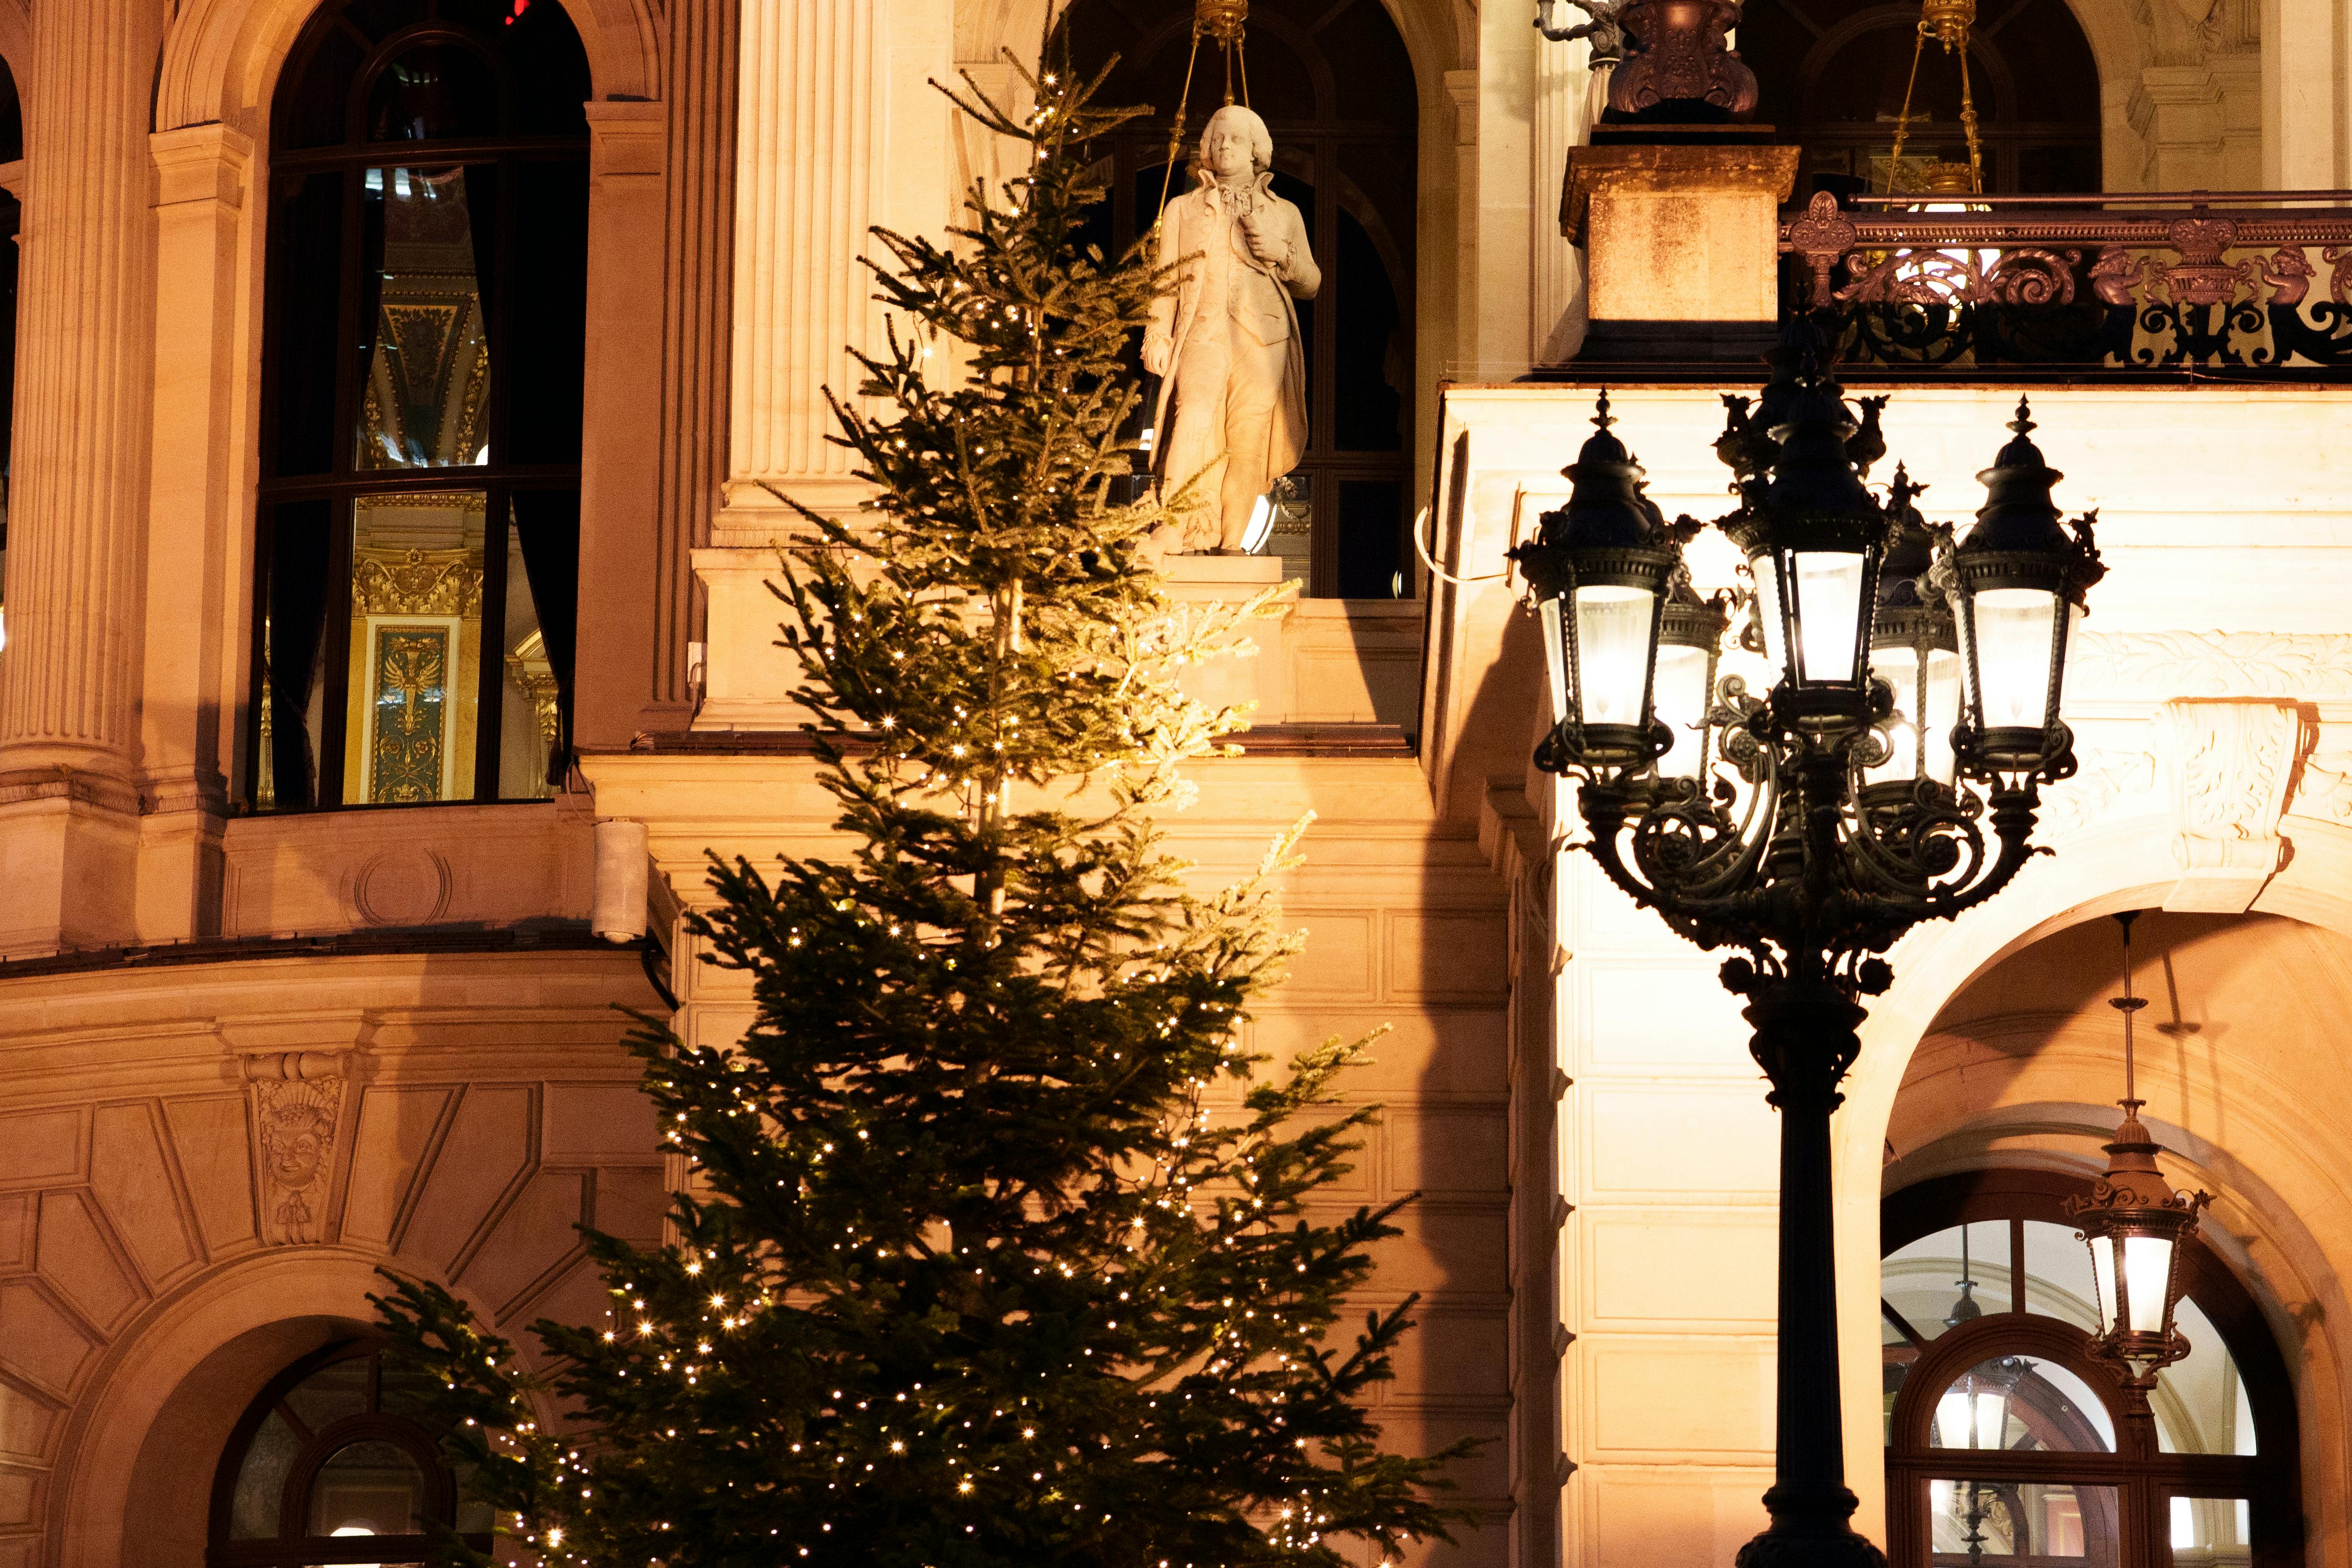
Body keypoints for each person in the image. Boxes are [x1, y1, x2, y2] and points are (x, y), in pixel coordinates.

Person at [1141, 104, 1320, 553]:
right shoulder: (1181, 209)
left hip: (1265, 335)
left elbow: (1311, 282)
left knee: (1250, 436)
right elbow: (1166, 277)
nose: (1224, 147)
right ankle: (1172, 525)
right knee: (1192, 416)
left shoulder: (1286, 213)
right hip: (1202, 326)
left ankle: (1233, 543)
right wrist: (1157, 332)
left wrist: (1281, 252)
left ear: (1256, 151)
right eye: (1217, 139)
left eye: (1235, 139)